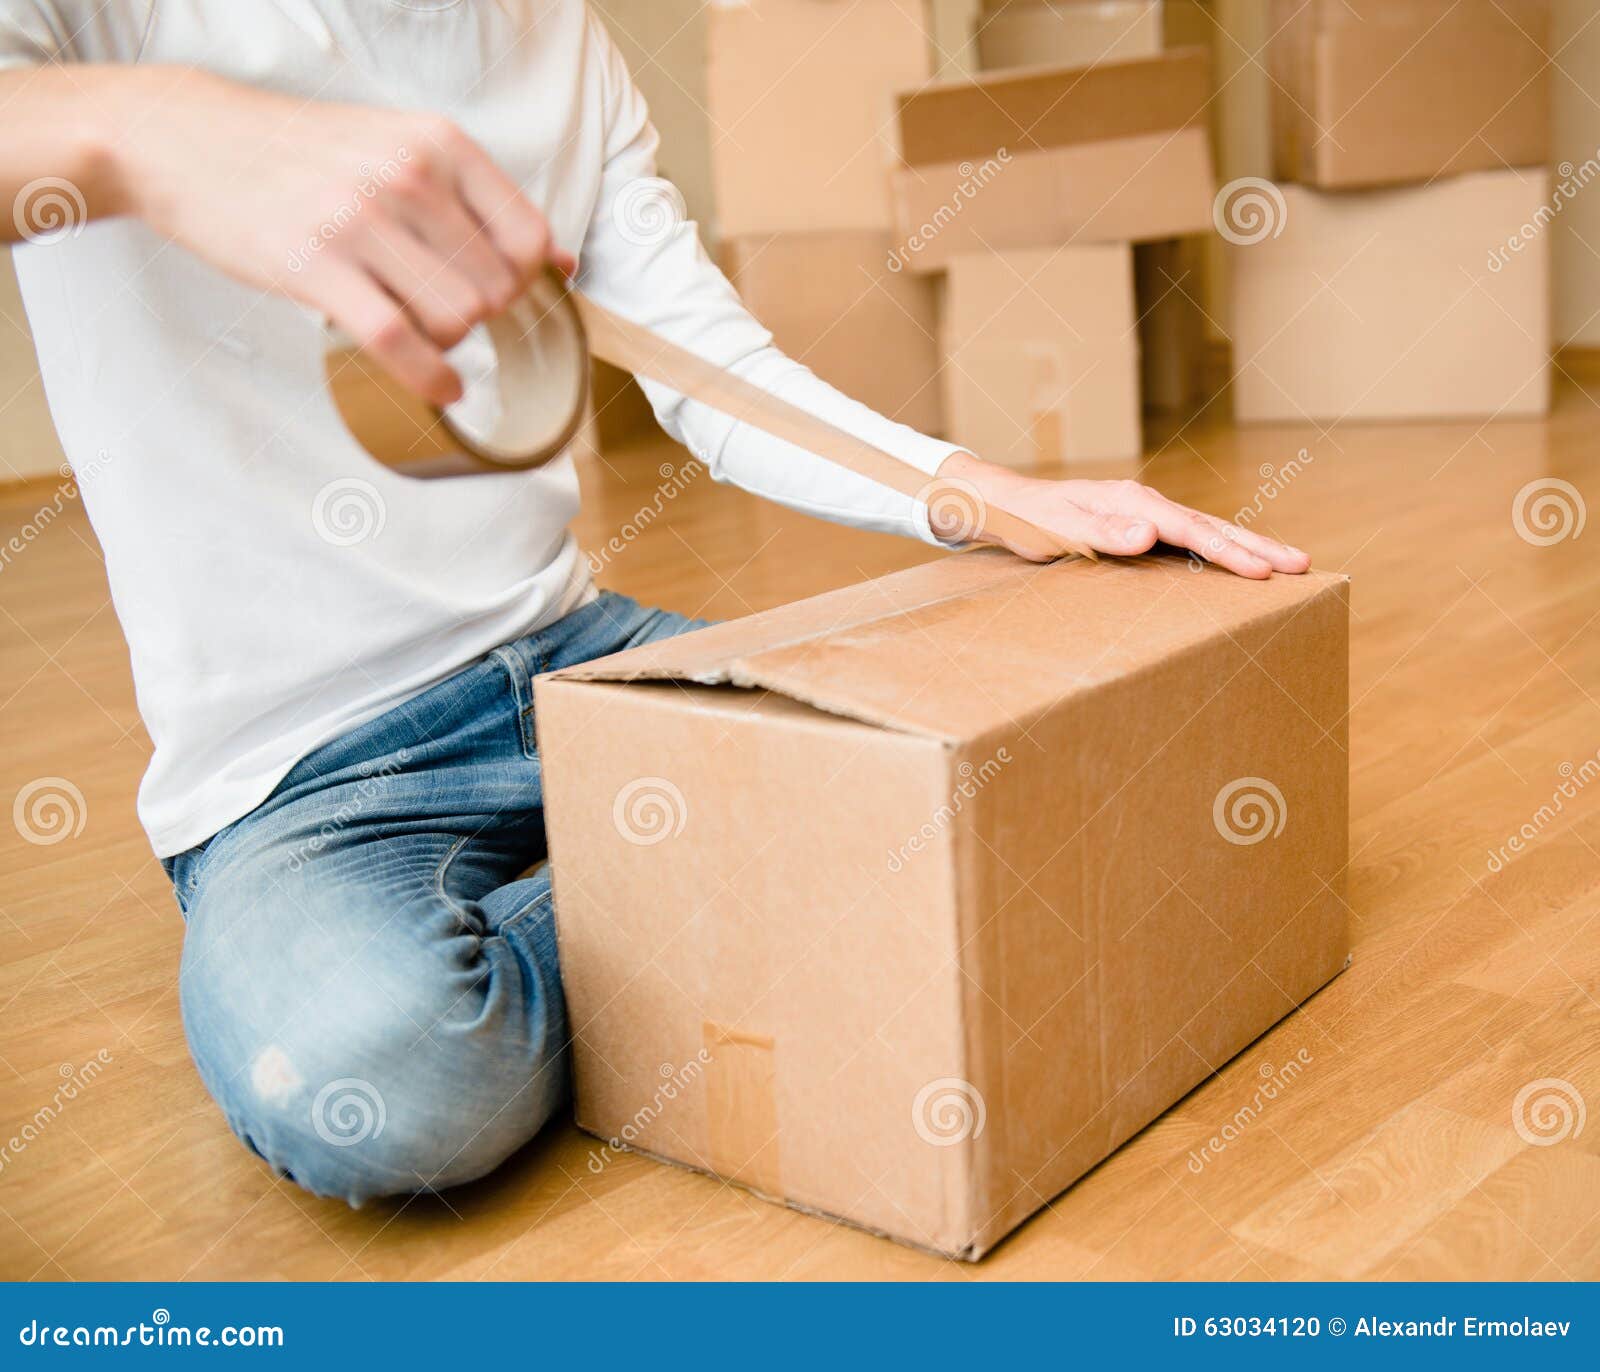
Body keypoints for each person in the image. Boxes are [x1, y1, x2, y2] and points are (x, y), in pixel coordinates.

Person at [0, 1, 1310, 1206]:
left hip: (576, 660)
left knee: (986, 776)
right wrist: (148, 131)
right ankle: (729, 864)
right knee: (399, 1071)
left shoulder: (556, 35)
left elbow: (707, 368)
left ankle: (690, 862)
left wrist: (979, 491)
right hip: (302, 775)